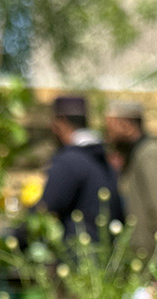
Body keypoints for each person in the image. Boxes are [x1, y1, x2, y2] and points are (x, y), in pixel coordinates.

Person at [104, 100, 157, 257]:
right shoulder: (139, 155)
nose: (108, 137)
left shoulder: (149, 155)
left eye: (111, 128)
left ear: (126, 125)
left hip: (156, 257)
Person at [38, 96, 124, 242]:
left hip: (79, 253)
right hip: (104, 250)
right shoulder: (102, 159)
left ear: (61, 122)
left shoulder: (70, 161)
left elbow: (45, 210)